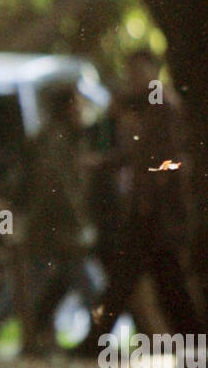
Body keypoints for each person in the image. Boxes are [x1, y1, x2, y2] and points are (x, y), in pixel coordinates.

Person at [83, 49, 200, 344]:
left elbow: (159, 156)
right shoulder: (148, 107)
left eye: (138, 71)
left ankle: (194, 338)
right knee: (143, 280)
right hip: (147, 210)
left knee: (160, 281)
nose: (132, 78)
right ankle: (98, 339)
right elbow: (138, 154)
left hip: (156, 212)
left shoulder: (163, 106)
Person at [0, 85, 97, 355]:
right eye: (76, 104)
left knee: (35, 284)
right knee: (78, 284)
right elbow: (57, 191)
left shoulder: (59, 139)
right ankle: (97, 339)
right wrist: (78, 224)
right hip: (56, 229)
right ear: (66, 108)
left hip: (53, 228)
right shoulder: (54, 142)